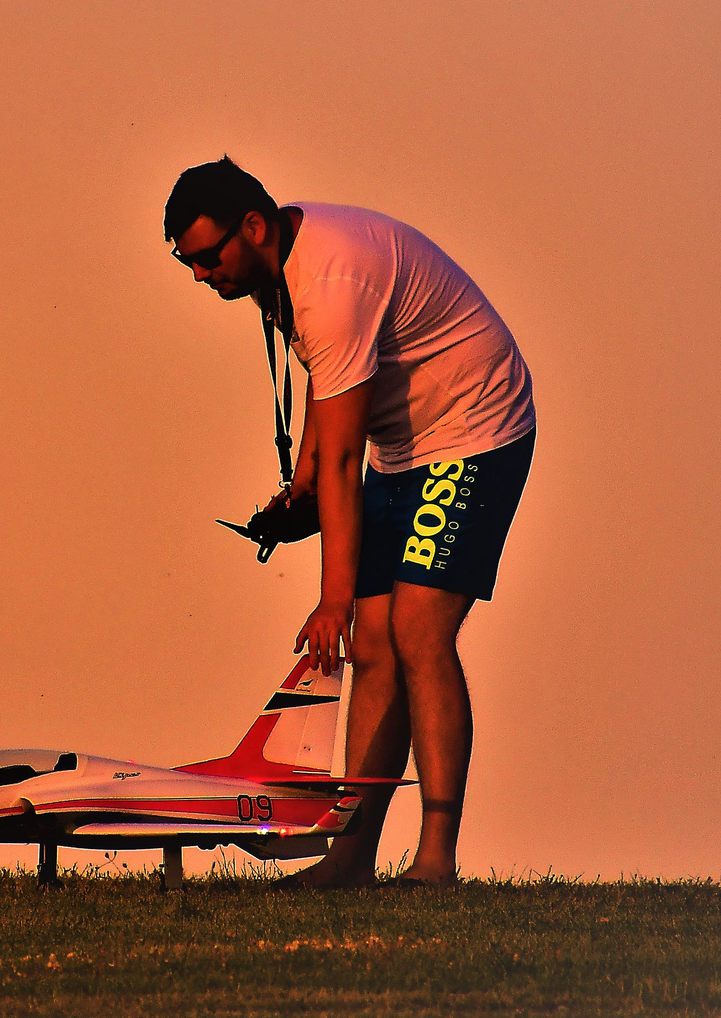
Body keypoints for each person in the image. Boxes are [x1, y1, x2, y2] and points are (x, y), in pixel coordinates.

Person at [163, 157, 536, 888]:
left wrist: (331, 596)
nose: (202, 275)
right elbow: (327, 397)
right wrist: (298, 485)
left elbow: (340, 461)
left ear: (254, 226)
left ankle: (434, 860)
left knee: (416, 631)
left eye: (208, 257)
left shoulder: (331, 282)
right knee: (374, 647)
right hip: (402, 446)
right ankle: (351, 859)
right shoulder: (281, 268)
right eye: (188, 263)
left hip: (473, 432)